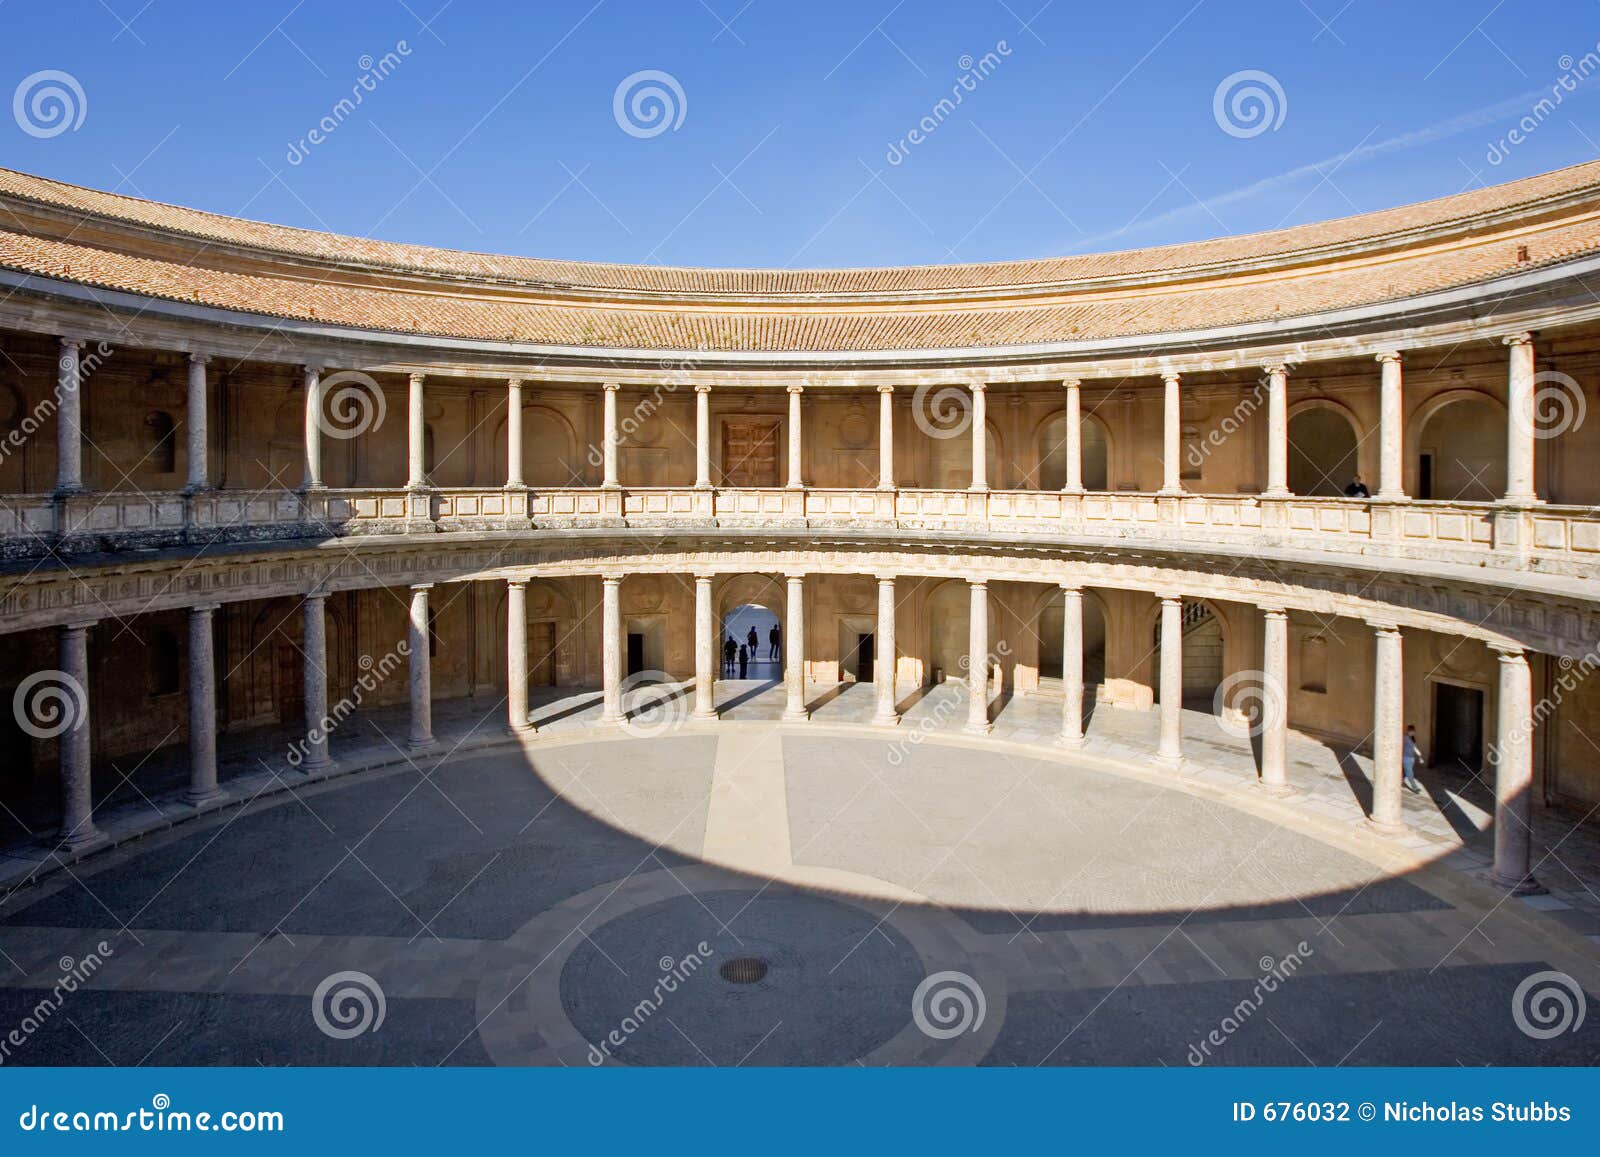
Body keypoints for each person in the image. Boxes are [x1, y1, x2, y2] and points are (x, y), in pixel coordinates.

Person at [1402, 724, 1424, 794]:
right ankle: (1415, 787)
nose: (1413, 732)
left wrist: (1420, 756)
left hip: (1412, 759)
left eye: (1413, 731)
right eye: (1411, 731)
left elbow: (1414, 748)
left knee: (1406, 771)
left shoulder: (1412, 738)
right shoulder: (1405, 737)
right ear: (1408, 731)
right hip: (1406, 758)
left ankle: (1401, 782)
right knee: (1410, 773)